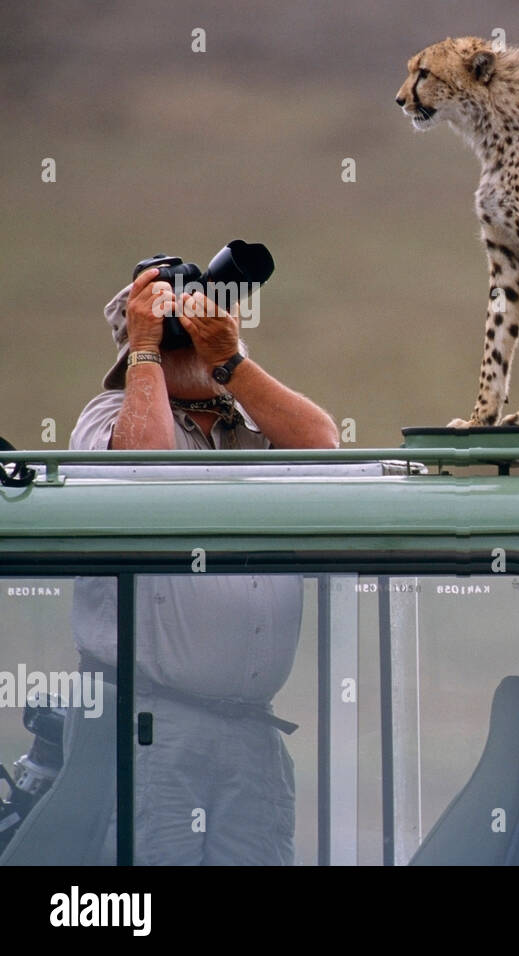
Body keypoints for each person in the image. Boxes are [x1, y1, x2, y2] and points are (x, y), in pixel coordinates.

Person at [68, 266, 339, 864]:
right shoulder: (107, 416)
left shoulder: (257, 434)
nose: (188, 346)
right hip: (152, 725)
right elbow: (142, 471)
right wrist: (144, 349)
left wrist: (231, 363)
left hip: (252, 729)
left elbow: (325, 447)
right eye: (176, 338)